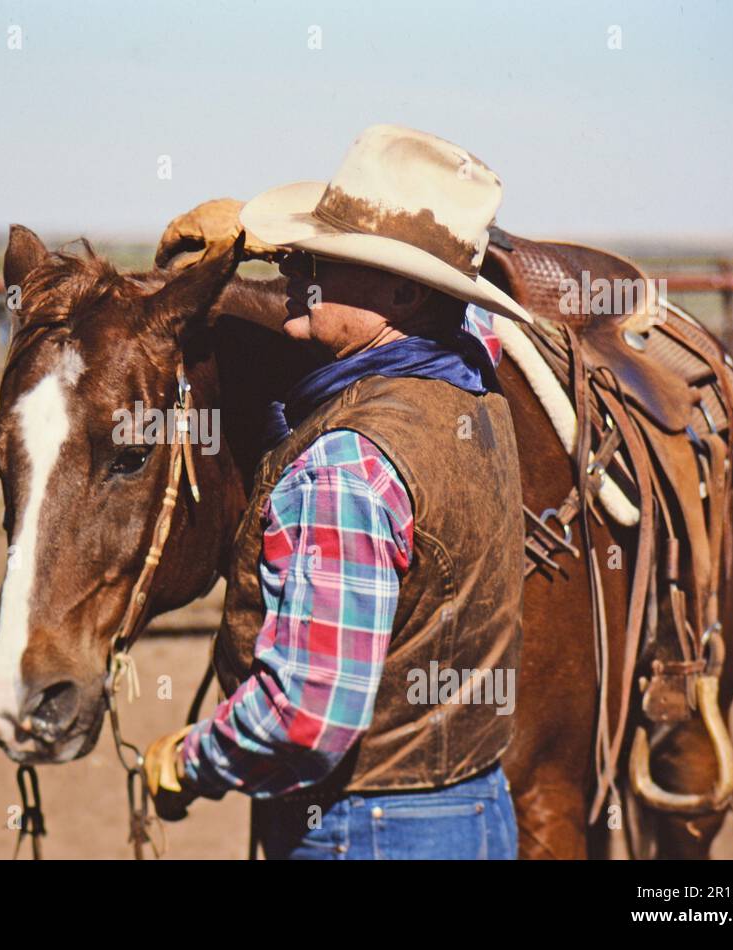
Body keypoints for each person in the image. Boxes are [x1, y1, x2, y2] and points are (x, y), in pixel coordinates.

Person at [143, 125, 532, 859]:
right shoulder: (472, 384)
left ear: (405, 292)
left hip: (363, 830)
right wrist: (266, 240)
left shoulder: (347, 465)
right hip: (475, 810)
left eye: (327, 259)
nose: (297, 269)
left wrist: (187, 762)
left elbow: (306, 719)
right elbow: (467, 318)